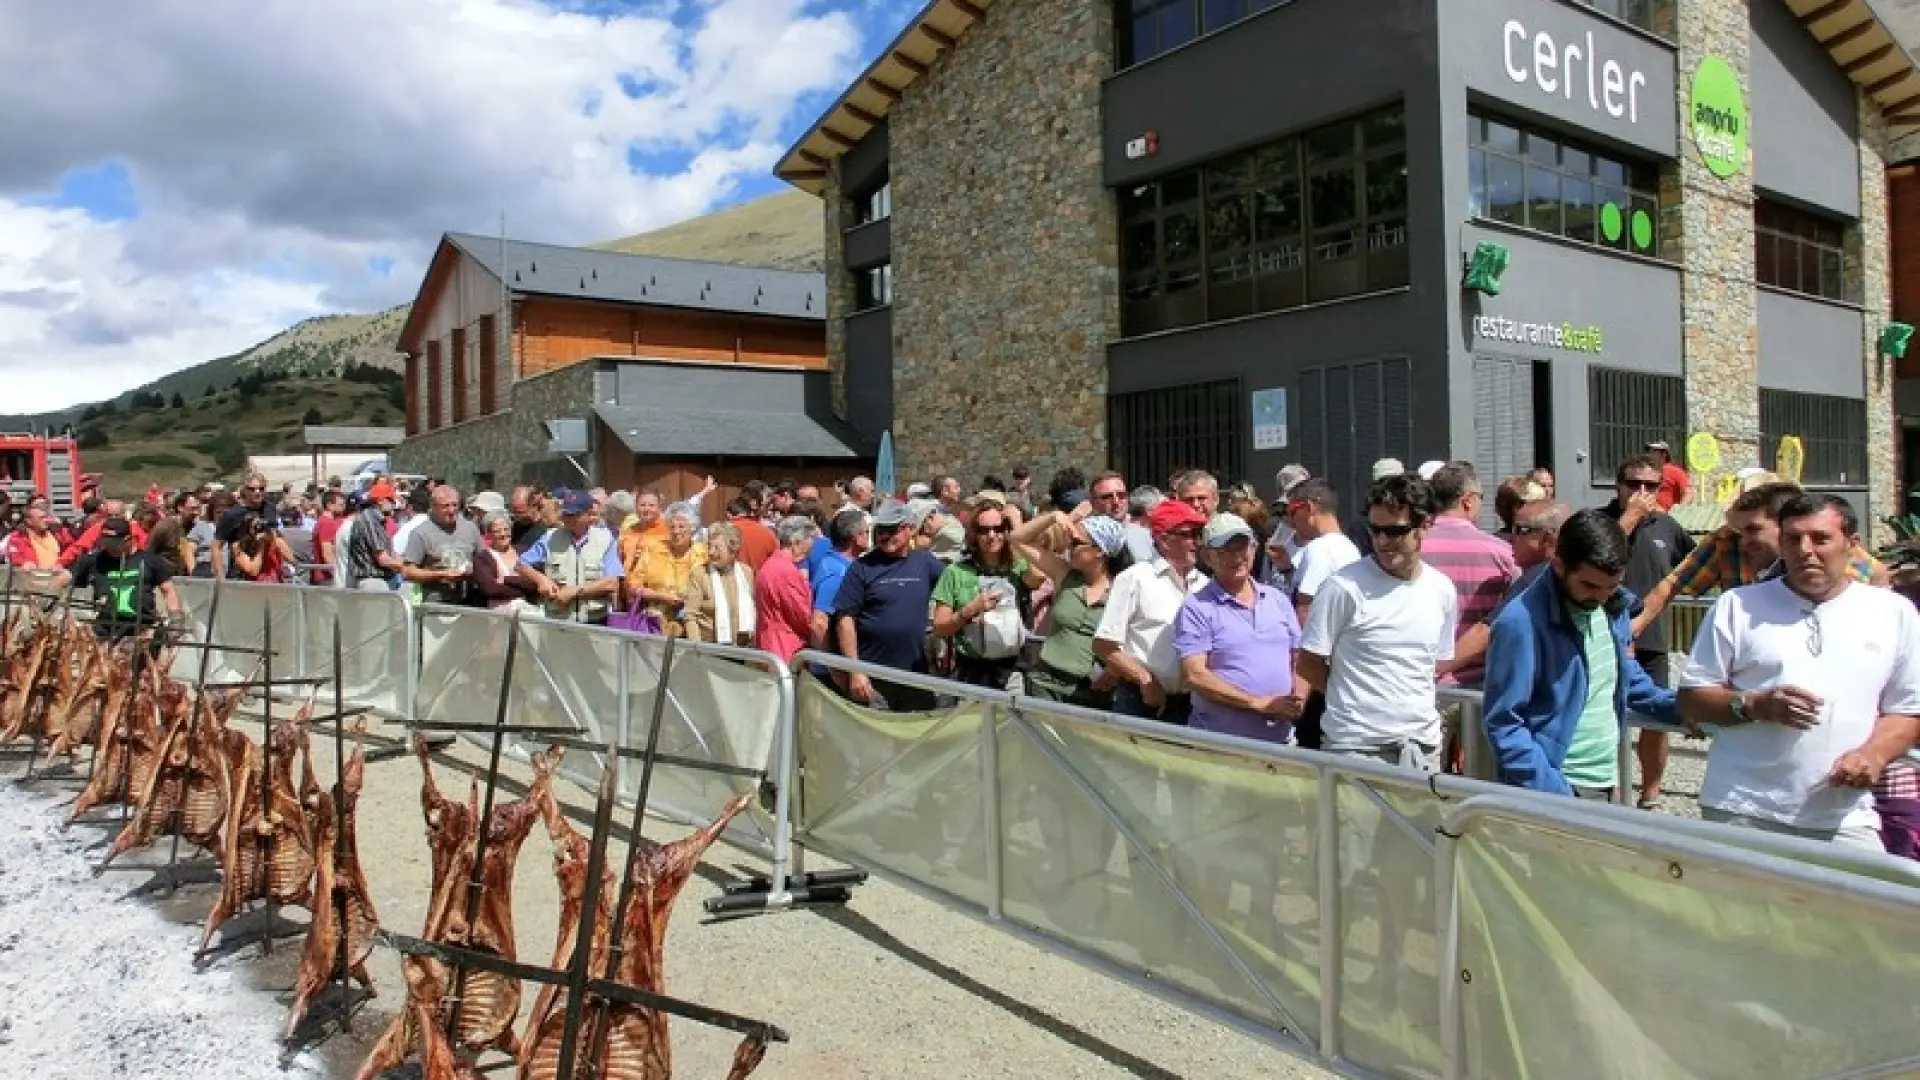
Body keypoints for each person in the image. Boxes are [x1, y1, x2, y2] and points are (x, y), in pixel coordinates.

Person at [1678, 494, 1920, 850]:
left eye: (1821, 538)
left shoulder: (1893, 613)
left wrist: (1872, 755)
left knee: (1855, 905)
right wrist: (1754, 705)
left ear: (1851, 545)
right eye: (1793, 539)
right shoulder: (1738, 607)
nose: (1806, 550)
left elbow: (1907, 709)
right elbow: (1691, 700)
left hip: (1844, 817)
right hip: (1742, 809)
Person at [1482, 510, 1680, 799]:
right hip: (1553, 790)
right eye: (1590, 585)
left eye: (1612, 586)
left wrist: (1683, 707)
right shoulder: (1520, 622)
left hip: (1603, 782)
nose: (1601, 596)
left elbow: (1621, 674)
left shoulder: (1612, 605)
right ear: (1559, 565)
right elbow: (1504, 722)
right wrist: (1555, 792)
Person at [1295, 474, 1458, 771]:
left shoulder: (1442, 589)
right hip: (1355, 748)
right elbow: (1308, 663)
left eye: (1395, 532)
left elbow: (1435, 663)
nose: (1382, 541)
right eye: (1375, 530)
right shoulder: (1343, 587)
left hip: (1421, 749)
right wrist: (1351, 696)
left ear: (1424, 526)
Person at [1603, 455, 1696, 808]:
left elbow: (1693, 564)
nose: (1642, 492)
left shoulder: (1667, 526)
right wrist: (1627, 521)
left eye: (1651, 486)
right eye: (1634, 484)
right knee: (1605, 713)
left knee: (1654, 720)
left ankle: (1651, 791)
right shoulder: (1601, 521)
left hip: (1652, 639)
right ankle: (1609, 787)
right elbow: (1595, 555)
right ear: (1618, 485)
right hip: (1604, 639)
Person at [1174, 512, 1304, 742]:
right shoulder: (1197, 607)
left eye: (1242, 548)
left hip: (1281, 741)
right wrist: (1258, 704)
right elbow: (1194, 675)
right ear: (1207, 556)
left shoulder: (1277, 599)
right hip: (1222, 744)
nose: (1237, 557)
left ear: (1254, 549)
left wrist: (1298, 700)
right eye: (1225, 551)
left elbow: (1298, 657)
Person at [1092, 499, 1209, 724]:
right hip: (1141, 701)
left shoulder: (1203, 584)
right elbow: (1104, 644)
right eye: (1188, 534)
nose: (1196, 542)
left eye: (1198, 534)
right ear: (1164, 539)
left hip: (1192, 704)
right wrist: (1144, 679)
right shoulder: (1136, 578)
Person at [832, 501, 947, 711]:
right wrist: (855, 671)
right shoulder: (862, 567)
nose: (884, 536)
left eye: (891, 529)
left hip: (917, 676)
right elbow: (845, 620)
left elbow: (952, 591)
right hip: (874, 679)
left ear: (910, 529)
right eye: (880, 530)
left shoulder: (925, 562)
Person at [1012, 507, 1130, 709]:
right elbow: (1017, 539)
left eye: (1077, 543)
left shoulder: (1123, 590)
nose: (1069, 548)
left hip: (1093, 691)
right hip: (1045, 683)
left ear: (1099, 551)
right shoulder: (1064, 575)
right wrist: (1052, 516)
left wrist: (1116, 670)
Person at [1422, 462, 1518, 686]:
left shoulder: (1414, 549)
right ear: (1467, 500)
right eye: (1481, 498)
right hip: (1479, 682)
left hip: (1421, 682)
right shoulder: (1503, 554)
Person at [1283, 480, 1361, 750]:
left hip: (1319, 669)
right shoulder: (1349, 547)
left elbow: (1305, 608)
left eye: (1292, 511)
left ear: (1312, 507)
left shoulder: (1318, 549)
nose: (1291, 522)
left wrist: (1302, 671)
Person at [931, 501, 1043, 689]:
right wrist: (970, 610)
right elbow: (940, 627)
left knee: (1011, 719)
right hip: (971, 668)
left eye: (999, 528)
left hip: (1012, 668)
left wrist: (1017, 527)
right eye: (983, 530)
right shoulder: (956, 571)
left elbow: (1039, 576)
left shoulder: (1018, 567)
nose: (992, 536)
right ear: (973, 534)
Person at [70, 517, 181, 639]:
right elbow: (66, 577)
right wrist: (52, 592)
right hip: (104, 630)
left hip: (142, 631)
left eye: (113, 544)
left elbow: (168, 589)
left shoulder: (149, 560)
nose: (108, 547)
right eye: (105, 543)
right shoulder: (93, 561)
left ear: (128, 540)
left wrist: (175, 618)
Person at [523, 490, 623, 625]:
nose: (568, 518)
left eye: (574, 514)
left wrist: (574, 592)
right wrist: (541, 580)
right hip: (557, 620)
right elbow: (521, 564)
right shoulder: (550, 537)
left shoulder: (605, 539)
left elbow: (611, 582)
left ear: (588, 514)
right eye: (566, 513)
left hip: (594, 621)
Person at [628, 503, 706, 633]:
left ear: (692, 528)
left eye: (681, 527)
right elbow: (634, 587)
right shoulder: (654, 549)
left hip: (690, 625)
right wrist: (661, 596)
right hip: (654, 624)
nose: (676, 531)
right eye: (672, 527)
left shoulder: (702, 554)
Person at [403, 485, 484, 606]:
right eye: (445, 506)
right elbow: (408, 571)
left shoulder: (470, 528)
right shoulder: (420, 533)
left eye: (455, 505)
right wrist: (441, 574)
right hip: (436, 602)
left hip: (469, 600)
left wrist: (474, 570)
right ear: (434, 507)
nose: (451, 510)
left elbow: (483, 559)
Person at [755, 515, 818, 664]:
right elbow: (802, 616)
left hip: (768, 644)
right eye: (809, 543)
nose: (811, 548)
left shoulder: (769, 565)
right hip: (785, 649)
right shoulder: (787, 572)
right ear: (796, 543)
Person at [683, 521, 758, 645]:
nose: (711, 552)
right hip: (709, 649)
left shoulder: (746, 572)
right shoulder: (700, 574)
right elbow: (690, 616)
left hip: (741, 649)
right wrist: (696, 647)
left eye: (717, 548)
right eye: (709, 546)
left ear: (733, 551)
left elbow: (753, 607)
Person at [810, 508, 869, 658]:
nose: (869, 536)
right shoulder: (837, 573)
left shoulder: (843, 566)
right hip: (831, 671)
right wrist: (831, 666)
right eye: (866, 532)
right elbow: (819, 623)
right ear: (856, 537)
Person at [471, 510, 553, 613]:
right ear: (488, 534)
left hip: (531, 612)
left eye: (506, 529)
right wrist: (525, 589)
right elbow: (491, 588)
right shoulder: (482, 558)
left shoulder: (526, 551)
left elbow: (539, 579)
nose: (503, 534)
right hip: (500, 615)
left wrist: (507, 580)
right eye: (497, 531)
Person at [341, 483, 405, 591]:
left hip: (379, 581)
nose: (394, 503)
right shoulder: (369, 520)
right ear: (380, 500)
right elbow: (382, 559)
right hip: (373, 582)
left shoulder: (377, 520)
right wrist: (406, 566)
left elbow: (389, 553)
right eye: (391, 500)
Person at [1645, 441, 1690, 510]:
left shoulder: (1675, 472)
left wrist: (1680, 509)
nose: (1649, 455)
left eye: (1653, 452)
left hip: (1668, 516)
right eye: (1649, 452)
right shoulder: (1647, 472)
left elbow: (1688, 493)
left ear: (1663, 454)